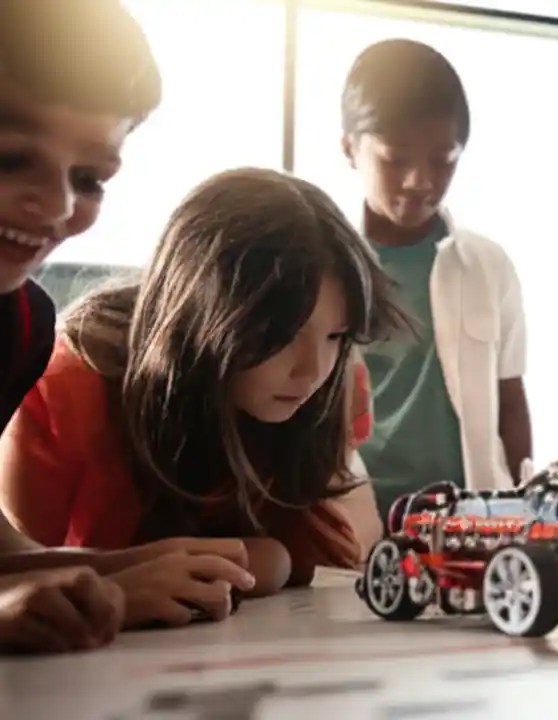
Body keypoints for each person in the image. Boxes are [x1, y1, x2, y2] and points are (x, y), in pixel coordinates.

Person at [0, 168, 408, 606]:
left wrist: (270, 560)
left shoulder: (334, 386)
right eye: (285, 333)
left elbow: (335, 559)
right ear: (206, 314)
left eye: (337, 336)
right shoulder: (70, 387)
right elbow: (28, 583)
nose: (312, 370)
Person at [0, 0, 255, 653]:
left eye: (88, 178)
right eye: (10, 158)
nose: (56, 206)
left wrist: (119, 567)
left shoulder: (20, 325)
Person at [340, 38, 531, 515]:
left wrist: (525, 501)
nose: (420, 181)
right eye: (396, 159)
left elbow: (510, 395)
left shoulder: (489, 266)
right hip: (360, 519)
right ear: (349, 148)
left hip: (473, 517)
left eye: (443, 160)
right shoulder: (322, 269)